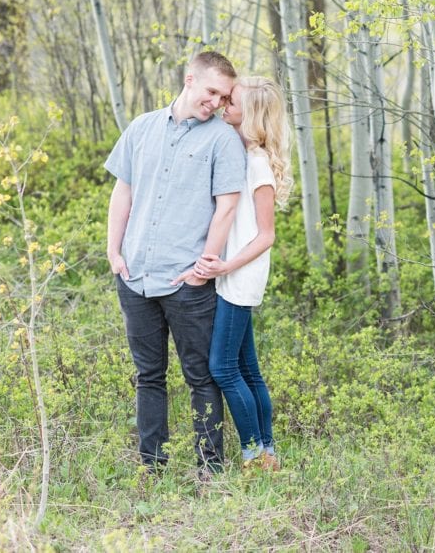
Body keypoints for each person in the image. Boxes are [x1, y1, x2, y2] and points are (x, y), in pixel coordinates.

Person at [104, 50, 246, 473]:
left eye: (223, 98)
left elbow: (226, 208)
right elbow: (122, 193)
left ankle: (209, 467)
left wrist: (205, 265)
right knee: (149, 376)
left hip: (187, 283)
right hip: (136, 278)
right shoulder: (142, 128)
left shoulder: (222, 140)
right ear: (189, 80)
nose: (217, 103)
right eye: (212, 92)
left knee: (201, 378)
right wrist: (114, 252)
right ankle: (152, 464)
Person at [190, 76, 293, 471]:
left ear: (250, 114)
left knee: (223, 367)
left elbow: (266, 236)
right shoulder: (242, 152)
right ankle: (267, 451)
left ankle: (253, 453)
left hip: (241, 276)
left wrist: (225, 266)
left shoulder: (257, 164)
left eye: (232, 100)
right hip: (232, 273)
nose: (224, 103)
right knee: (248, 367)